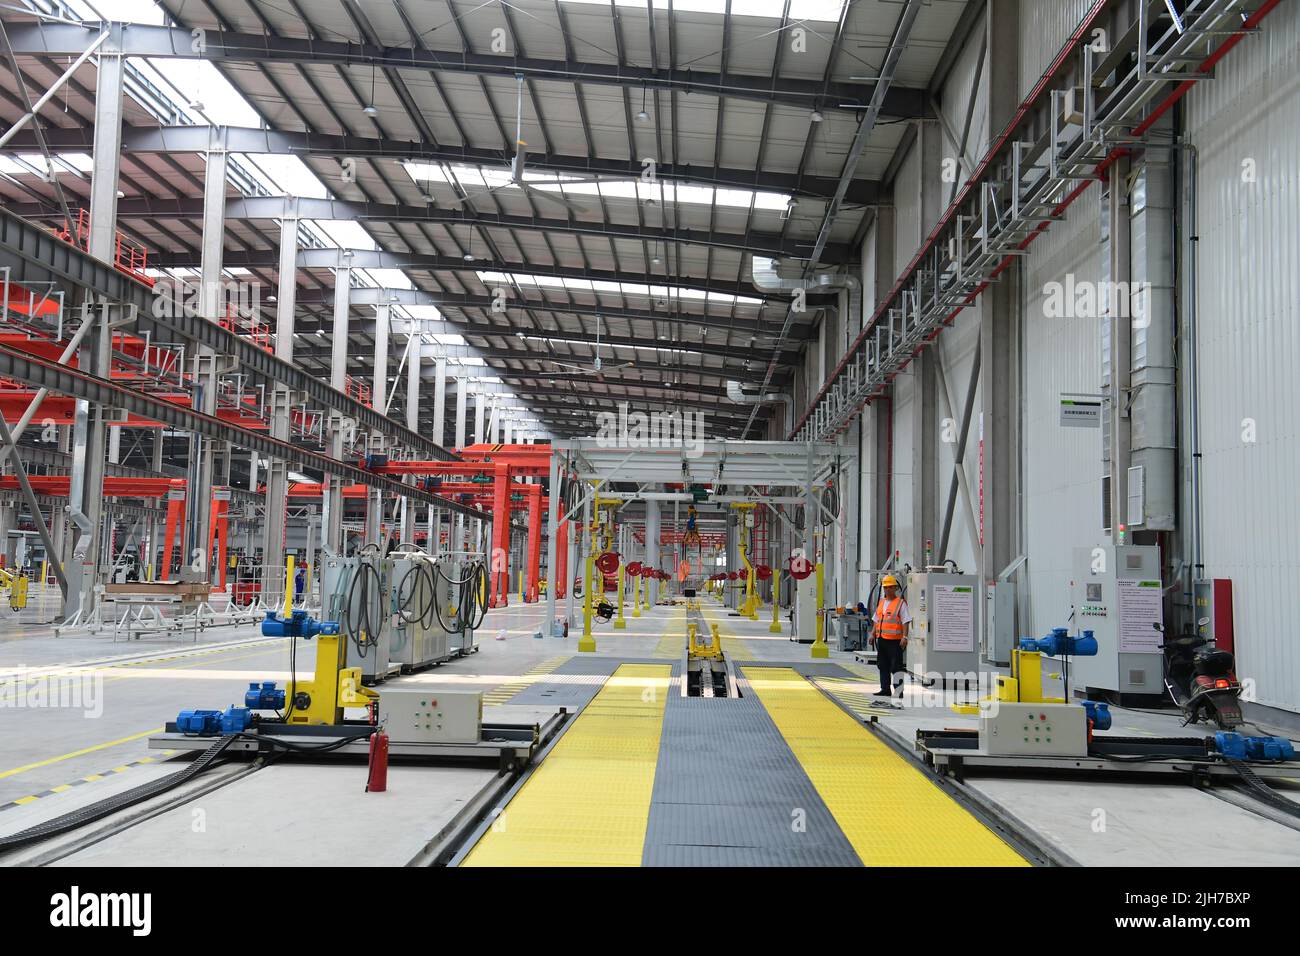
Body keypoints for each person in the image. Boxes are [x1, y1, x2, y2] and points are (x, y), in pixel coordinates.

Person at [869, 574, 911, 698]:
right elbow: (876, 620)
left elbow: (906, 621)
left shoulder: (900, 603)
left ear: (895, 588)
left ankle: (898, 691)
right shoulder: (882, 603)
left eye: (890, 587)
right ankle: (885, 689)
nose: (887, 590)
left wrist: (905, 637)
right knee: (882, 665)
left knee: (896, 666)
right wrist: (872, 634)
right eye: (885, 588)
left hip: (895, 641)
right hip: (881, 639)